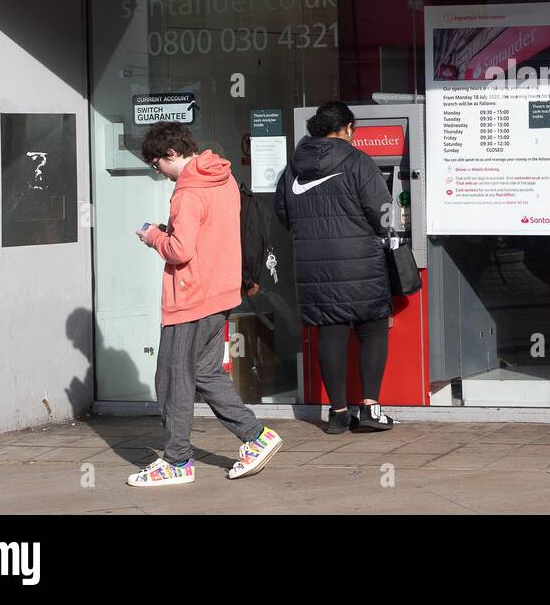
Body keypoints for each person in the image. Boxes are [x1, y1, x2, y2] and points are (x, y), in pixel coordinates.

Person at [129, 122, 283, 486]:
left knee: (171, 379)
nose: (158, 172)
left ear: (170, 154)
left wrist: (153, 236)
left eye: (156, 165)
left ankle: (177, 461)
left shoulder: (188, 193)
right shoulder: (223, 177)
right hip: (222, 292)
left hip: (191, 297)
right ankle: (256, 437)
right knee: (205, 372)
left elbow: (181, 250)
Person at [275, 101, 396, 435]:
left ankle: (338, 413)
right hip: (359, 260)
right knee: (372, 327)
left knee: (330, 330)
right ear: (347, 128)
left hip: (313, 264)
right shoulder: (358, 161)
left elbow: (283, 214)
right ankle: (370, 409)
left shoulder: (293, 168)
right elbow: (383, 213)